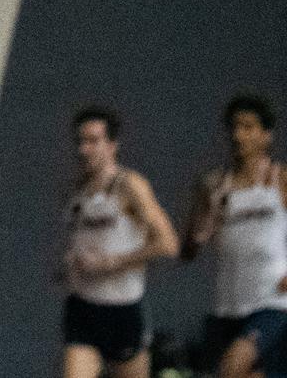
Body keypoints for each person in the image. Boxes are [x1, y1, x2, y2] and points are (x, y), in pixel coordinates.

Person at [58, 106, 178, 378]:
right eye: (80, 141)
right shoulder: (78, 190)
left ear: (112, 145)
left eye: (93, 141)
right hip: (82, 308)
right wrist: (69, 266)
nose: (84, 149)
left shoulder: (129, 185)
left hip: (122, 310)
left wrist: (114, 263)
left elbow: (168, 243)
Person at [182, 95, 287, 378]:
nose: (238, 135)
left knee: (232, 367)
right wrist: (200, 228)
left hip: (272, 304)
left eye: (248, 127)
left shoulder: (279, 179)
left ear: (267, 135)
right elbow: (188, 250)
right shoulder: (213, 185)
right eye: (234, 127)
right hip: (227, 306)